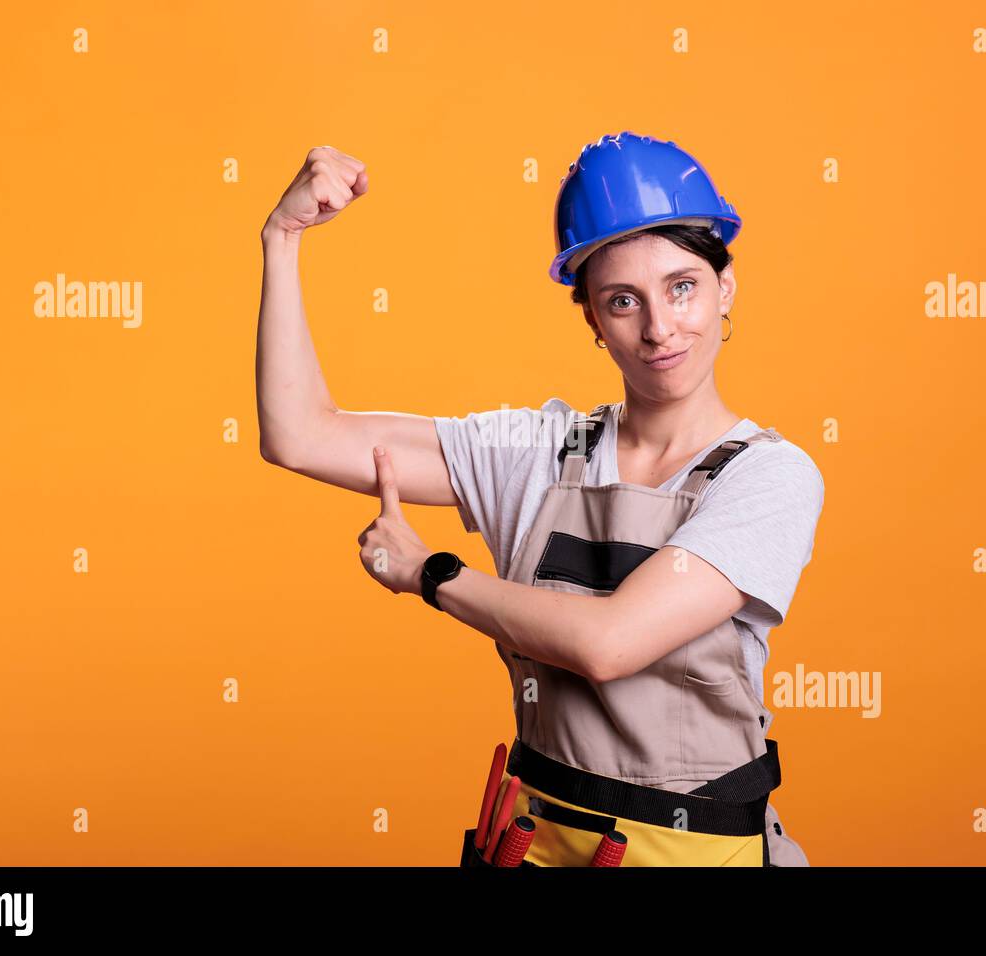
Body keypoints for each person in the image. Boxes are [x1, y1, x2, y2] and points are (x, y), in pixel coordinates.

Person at [255, 132, 823, 866]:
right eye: (623, 300)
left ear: (726, 288)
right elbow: (299, 435)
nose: (659, 328)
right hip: (532, 846)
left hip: (697, 853)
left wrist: (432, 574)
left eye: (682, 286)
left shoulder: (769, 477)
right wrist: (282, 238)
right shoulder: (537, 452)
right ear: (591, 317)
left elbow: (609, 644)